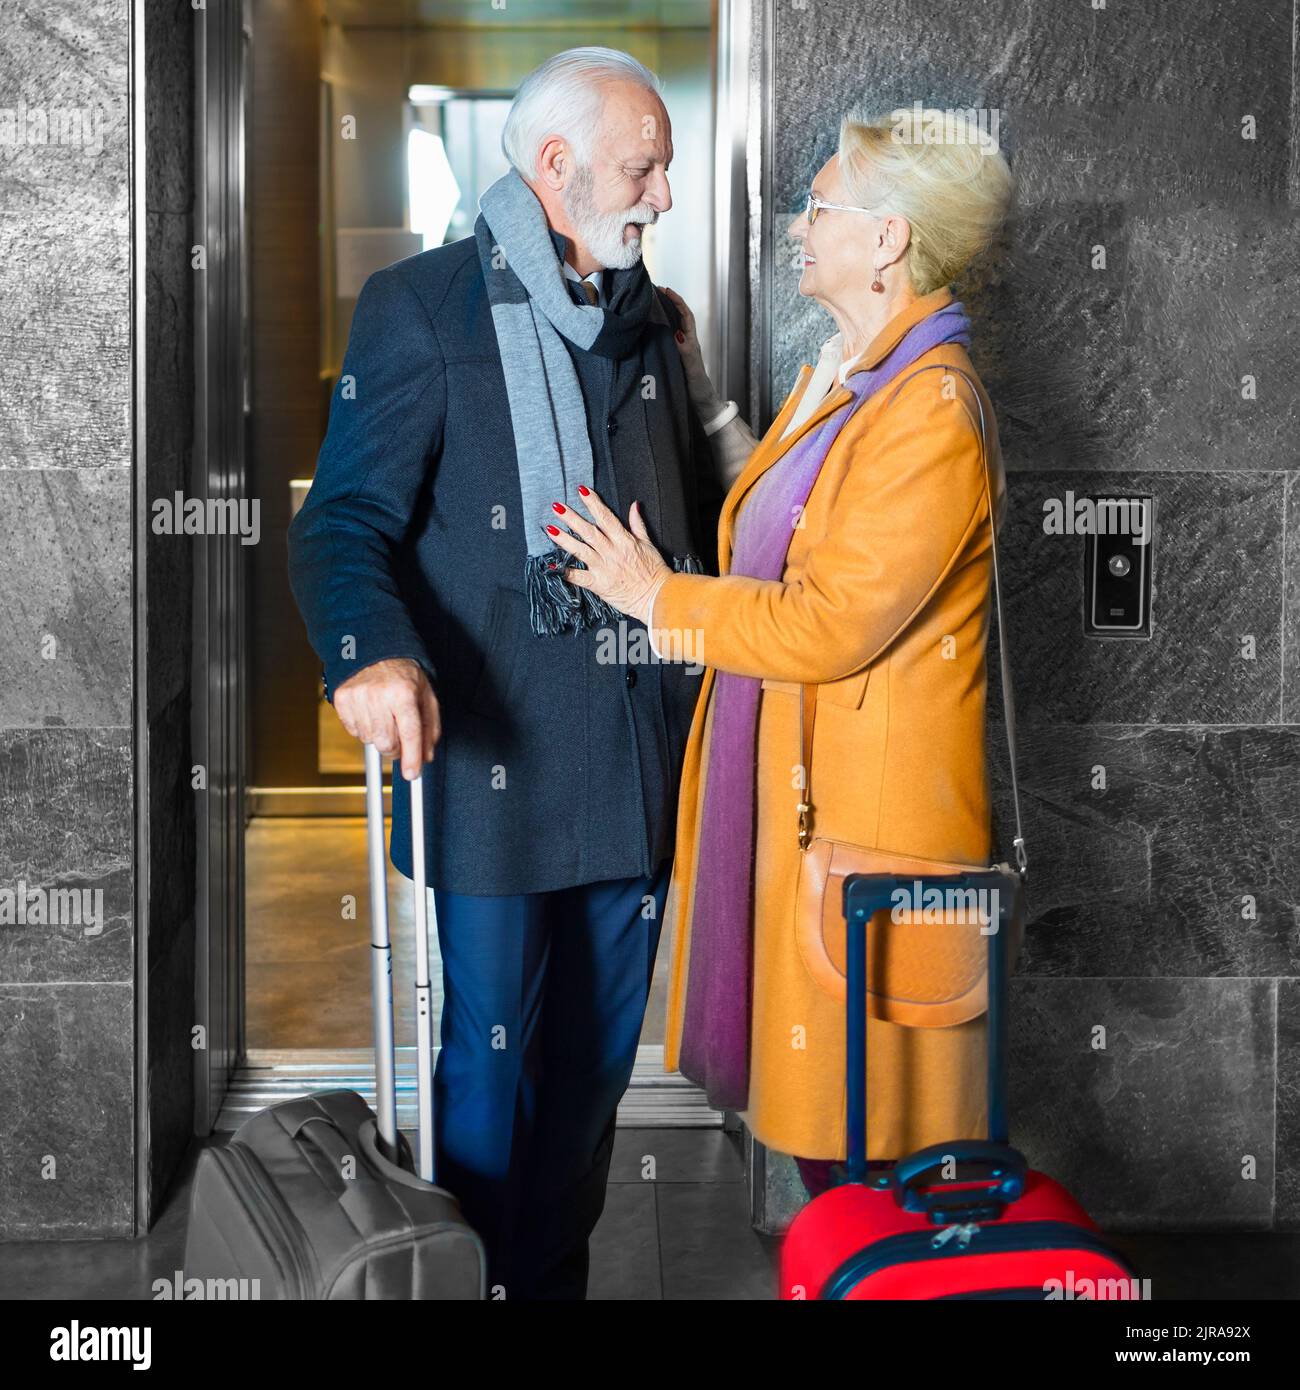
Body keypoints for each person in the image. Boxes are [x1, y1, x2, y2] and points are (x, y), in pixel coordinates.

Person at [287, 47, 720, 1299]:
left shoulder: (651, 322)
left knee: (590, 1076)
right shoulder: (420, 308)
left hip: (630, 758)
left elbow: (697, 508)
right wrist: (371, 657)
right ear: (555, 166)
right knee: (486, 1070)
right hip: (491, 763)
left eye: (664, 169)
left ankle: (547, 1282)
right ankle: (467, 1283)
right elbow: (343, 522)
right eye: (644, 167)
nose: (661, 194)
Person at [538, 107, 1015, 1198]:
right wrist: (702, 397)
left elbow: (826, 619)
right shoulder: (854, 372)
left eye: (820, 205)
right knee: (836, 1136)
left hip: (869, 836)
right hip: (812, 811)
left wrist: (655, 596)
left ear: (888, 238)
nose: (799, 226)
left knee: (878, 1142)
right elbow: (788, 524)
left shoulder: (928, 410)